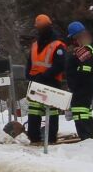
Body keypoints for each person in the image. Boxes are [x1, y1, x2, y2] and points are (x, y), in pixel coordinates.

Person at [25, 14, 68, 145]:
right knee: (34, 110)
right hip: (36, 82)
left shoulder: (58, 45)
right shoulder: (35, 45)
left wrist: (43, 76)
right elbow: (29, 63)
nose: (40, 29)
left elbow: (59, 65)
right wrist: (29, 76)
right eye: (39, 27)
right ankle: (34, 138)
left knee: (52, 111)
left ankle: (51, 139)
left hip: (51, 82)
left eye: (42, 27)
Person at [60, 21, 93, 143]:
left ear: (77, 37)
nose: (73, 41)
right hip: (82, 86)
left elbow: (86, 68)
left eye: (73, 38)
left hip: (82, 86)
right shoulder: (82, 49)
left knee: (80, 111)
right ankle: (87, 136)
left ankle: (86, 137)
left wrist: (75, 80)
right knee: (83, 111)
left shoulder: (84, 50)